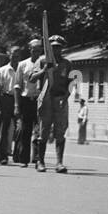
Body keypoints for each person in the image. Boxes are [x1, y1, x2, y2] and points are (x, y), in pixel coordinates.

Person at [32, 35, 72, 173]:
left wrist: (66, 96)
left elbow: (72, 82)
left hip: (60, 99)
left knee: (60, 131)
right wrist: (44, 70)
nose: (56, 50)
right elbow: (32, 78)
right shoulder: (42, 61)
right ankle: (40, 161)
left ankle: (59, 163)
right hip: (46, 99)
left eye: (58, 47)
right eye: (53, 47)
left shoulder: (67, 64)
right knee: (43, 132)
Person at [13, 39, 44, 162]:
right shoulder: (22, 65)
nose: (36, 53)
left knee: (39, 130)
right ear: (29, 50)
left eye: (38, 50)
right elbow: (17, 85)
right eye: (33, 50)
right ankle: (23, 158)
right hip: (26, 100)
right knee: (25, 130)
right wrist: (16, 105)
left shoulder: (44, 63)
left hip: (39, 99)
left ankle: (36, 157)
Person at [0, 48, 19, 164]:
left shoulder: (22, 69)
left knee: (20, 128)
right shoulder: (3, 70)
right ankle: (2, 155)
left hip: (19, 99)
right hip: (6, 99)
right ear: (9, 55)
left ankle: (18, 155)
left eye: (18, 55)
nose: (15, 57)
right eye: (13, 54)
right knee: (4, 128)